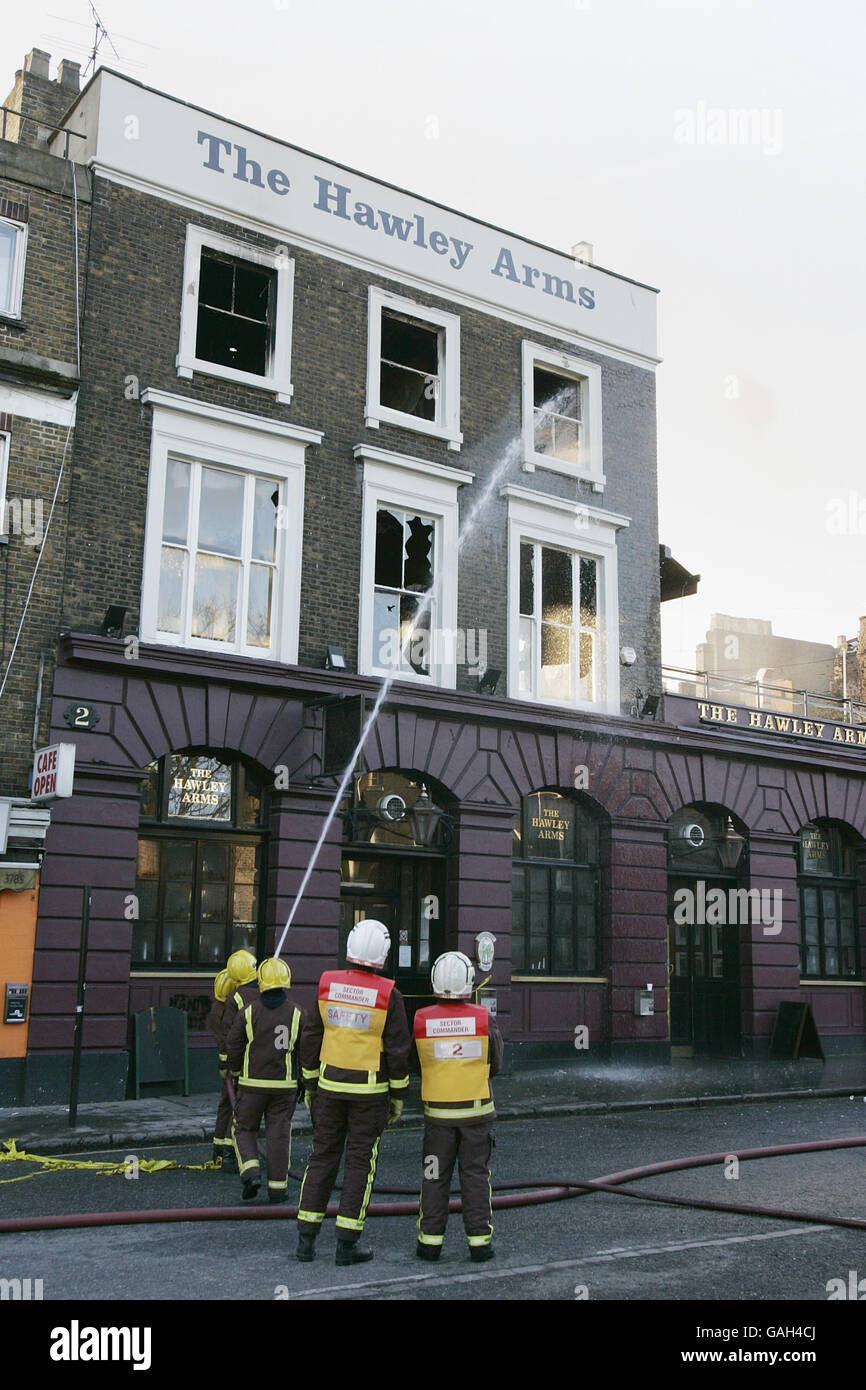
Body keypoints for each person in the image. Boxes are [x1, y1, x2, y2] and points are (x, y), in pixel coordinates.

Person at [295, 919, 410, 1265]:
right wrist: (398, 1095)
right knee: (360, 1162)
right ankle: (347, 1244)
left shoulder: (327, 984)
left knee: (322, 1157)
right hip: (369, 1093)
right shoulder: (390, 994)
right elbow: (398, 1050)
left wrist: (310, 1085)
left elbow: (311, 1037)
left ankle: (305, 1242)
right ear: (383, 956)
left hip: (329, 1089)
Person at [412, 950, 503, 1263]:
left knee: (434, 1177)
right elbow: (496, 1064)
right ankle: (479, 1245)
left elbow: (416, 1063)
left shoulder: (421, 1018)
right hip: (477, 1116)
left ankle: (429, 1245)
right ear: (469, 981)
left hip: (437, 1118)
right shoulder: (483, 1018)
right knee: (475, 1177)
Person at [225, 956, 306, 1203]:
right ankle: (278, 1189)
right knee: (279, 1134)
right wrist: (302, 1082)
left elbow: (234, 1046)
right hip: (284, 1087)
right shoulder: (298, 1014)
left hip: (252, 1086)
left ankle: (251, 1173)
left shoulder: (248, 1013)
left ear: (260, 983)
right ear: (286, 982)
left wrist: (235, 1073)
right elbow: (306, 1051)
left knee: (243, 1128)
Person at [206, 968, 235, 1170]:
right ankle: (228, 1152)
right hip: (236, 1065)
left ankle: (218, 1148)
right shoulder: (228, 1012)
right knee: (236, 1107)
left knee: (225, 1104)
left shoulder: (216, 1009)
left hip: (226, 1065)